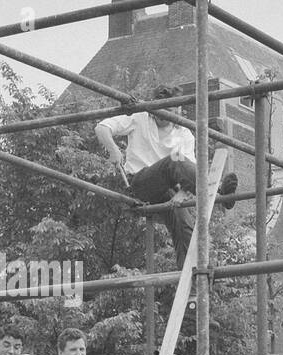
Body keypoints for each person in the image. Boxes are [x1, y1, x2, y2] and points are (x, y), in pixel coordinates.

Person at [95, 87, 238, 267]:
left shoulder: (185, 134)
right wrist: (113, 149)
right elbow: (102, 127)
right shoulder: (140, 117)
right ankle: (218, 192)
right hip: (141, 184)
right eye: (167, 111)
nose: (171, 115)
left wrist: (182, 194)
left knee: (185, 225)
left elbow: (189, 172)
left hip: (170, 191)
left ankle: (192, 286)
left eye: (175, 110)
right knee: (174, 161)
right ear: (155, 110)